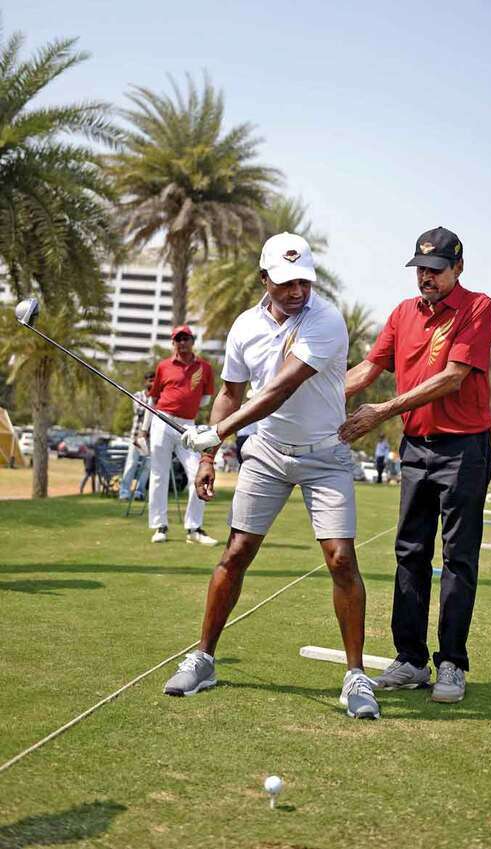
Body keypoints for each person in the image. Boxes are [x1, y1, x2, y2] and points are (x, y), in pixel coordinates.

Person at [162, 232, 380, 720]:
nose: (297, 291)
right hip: (266, 452)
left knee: (341, 559)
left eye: (304, 281)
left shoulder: (325, 320)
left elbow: (280, 389)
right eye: (285, 283)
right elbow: (231, 392)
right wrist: (207, 454)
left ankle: (356, 675)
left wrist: (215, 431)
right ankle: (204, 658)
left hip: (326, 454)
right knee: (237, 551)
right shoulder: (244, 327)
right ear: (264, 279)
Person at [339, 226, 491, 703]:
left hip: (464, 450)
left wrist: (381, 411)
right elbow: (368, 370)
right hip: (416, 449)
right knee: (409, 552)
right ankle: (410, 660)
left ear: (458, 268)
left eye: (435, 270)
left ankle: (451, 663)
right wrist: (303, 393)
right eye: (420, 270)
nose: (425, 278)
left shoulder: (478, 308)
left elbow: (452, 378)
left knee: (458, 558)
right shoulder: (402, 313)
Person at [141, 325, 217, 546]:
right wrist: (145, 429)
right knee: (158, 475)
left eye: (186, 338)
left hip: (188, 426)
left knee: (198, 473)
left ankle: (194, 528)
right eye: (178, 339)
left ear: (193, 341)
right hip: (163, 421)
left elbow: (205, 398)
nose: (182, 342)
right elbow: (153, 400)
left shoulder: (204, 367)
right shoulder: (163, 366)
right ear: (173, 343)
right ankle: (160, 526)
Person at [119, 370, 155, 502]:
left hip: (151, 439)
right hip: (137, 436)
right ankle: (124, 492)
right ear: (145, 382)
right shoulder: (138, 395)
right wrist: (152, 404)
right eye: (150, 380)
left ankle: (139, 492)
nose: (152, 382)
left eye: (154, 380)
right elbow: (139, 410)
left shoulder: (159, 396)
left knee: (147, 466)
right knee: (131, 464)